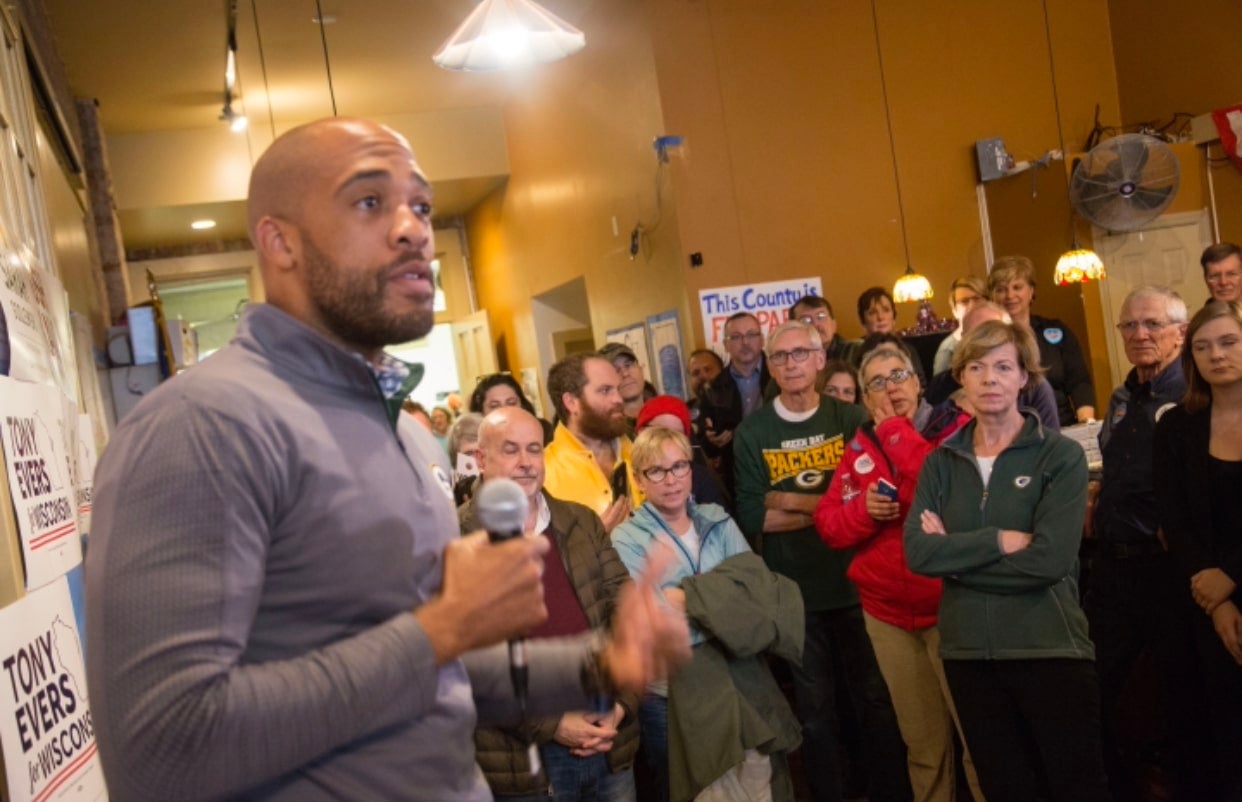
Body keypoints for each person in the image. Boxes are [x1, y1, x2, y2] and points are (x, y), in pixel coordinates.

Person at [84, 117, 690, 802]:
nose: (413, 229)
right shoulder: (201, 427)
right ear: (278, 241)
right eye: (369, 201)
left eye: (423, 206)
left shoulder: (401, 431)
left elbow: (439, 674)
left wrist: (599, 661)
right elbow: (164, 747)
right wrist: (438, 628)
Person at [904, 320, 1112, 802]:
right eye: (976, 367)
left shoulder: (1059, 456)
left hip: (1050, 649)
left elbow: (1050, 561)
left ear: (1024, 377)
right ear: (961, 378)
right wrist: (998, 541)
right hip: (968, 654)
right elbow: (918, 552)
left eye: (1003, 366)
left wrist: (954, 559)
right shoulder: (940, 462)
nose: (990, 378)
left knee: (1076, 789)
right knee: (1004, 790)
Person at [734, 320, 910, 802]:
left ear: (819, 359)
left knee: (875, 701)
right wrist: (838, 508)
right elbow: (753, 516)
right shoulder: (753, 433)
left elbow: (877, 497)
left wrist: (790, 500)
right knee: (814, 711)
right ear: (770, 366)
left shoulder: (850, 418)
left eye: (800, 353)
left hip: (859, 585)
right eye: (780, 357)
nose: (790, 363)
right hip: (795, 593)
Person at [815, 345, 978, 802]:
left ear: (919, 381)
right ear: (864, 396)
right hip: (886, 614)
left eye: (899, 375)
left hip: (950, 607)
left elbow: (941, 486)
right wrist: (864, 512)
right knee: (923, 747)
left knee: (978, 742)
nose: (890, 388)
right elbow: (828, 523)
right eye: (877, 383)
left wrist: (892, 429)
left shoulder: (957, 429)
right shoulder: (860, 445)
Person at [612, 427, 803, 802]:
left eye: (679, 466)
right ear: (638, 479)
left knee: (759, 784)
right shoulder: (626, 540)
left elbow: (759, 595)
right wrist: (724, 603)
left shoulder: (716, 518)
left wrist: (687, 596)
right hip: (675, 691)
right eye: (657, 471)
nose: (671, 479)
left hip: (741, 674)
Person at [462, 407, 639, 802]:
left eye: (534, 449)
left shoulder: (582, 522)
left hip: (608, 738)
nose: (526, 463)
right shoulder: (454, 538)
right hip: (523, 759)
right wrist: (552, 723)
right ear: (480, 460)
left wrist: (622, 705)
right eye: (510, 450)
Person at [1087, 287, 1209, 801]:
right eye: (1129, 326)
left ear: (1180, 332)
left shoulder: (1192, 397)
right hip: (1112, 568)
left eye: (1153, 325)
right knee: (1105, 689)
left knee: (1180, 692)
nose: (1140, 335)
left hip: (1166, 567)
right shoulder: (1120, 398)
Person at [1154, 299, 1242, 801]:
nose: (1217, 355)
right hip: (1200, 601)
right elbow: (1175, 519)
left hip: (1226, 581)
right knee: (1215, 745)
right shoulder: (1176, 427)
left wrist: (1231, 575)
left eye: (1229, 342)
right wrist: (1218, 597)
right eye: (1203, 347)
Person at [988, 255, 1095, 425]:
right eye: (1001, 289)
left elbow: (1079, 381)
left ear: (1031, 291)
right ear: (992, 296)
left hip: (1062, 427)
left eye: (1017, 287)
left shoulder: (1057, 330)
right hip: (1011, 432)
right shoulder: (987, 340)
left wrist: (1087, 423)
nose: (1010, 295)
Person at [924, 301, 1060, 431]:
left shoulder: (1036, 387)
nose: (985, 343)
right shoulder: (940, 385)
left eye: (993, 334)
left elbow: (1051, 448)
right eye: (976, 335)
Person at [544, 353, 641, 532]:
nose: (618, 399)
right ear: (572, 402)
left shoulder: (639, 451)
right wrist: (594, 539)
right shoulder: (543, 472)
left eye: (617, 389)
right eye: (605, 390)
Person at [697, 312, 771, 496]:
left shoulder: (780, 376)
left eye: (751, 335)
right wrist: (712, 441)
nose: (745, 342)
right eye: (736, 337)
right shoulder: (712, 389)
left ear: (762, 340)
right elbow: (703, 444)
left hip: (779, 465)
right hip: (738, 477)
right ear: (726, 345)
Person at [635, 394, 731, 512]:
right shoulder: (625, 473)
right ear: (641, 432)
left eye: (677, 435)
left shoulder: (700, 478)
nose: (668, 440)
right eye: (661, 431)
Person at [790, 294, 862, 384]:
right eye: (806, 320)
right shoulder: (789, 362)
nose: (816, 324)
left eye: (821, 316)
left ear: (834, 324)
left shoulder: (856, 351)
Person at [469, 371, 553, 443]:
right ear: (481, 413)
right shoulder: (473, 443)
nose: (505, 411)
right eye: (494, 406)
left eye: (511, 403)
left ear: (522, 405)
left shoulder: (543, 432)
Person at [932, 276, 987, 374]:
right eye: (965, 301)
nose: (972, 305)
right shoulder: (947, 350)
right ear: (954, 311)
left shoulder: (1001, 335)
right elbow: (940, 388)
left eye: (977, 299)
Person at [600, 341, 657, 436]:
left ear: (641, 370)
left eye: (628, 365)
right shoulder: (606, 433)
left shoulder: (666, 416)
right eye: (616, 370)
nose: (625, 374)